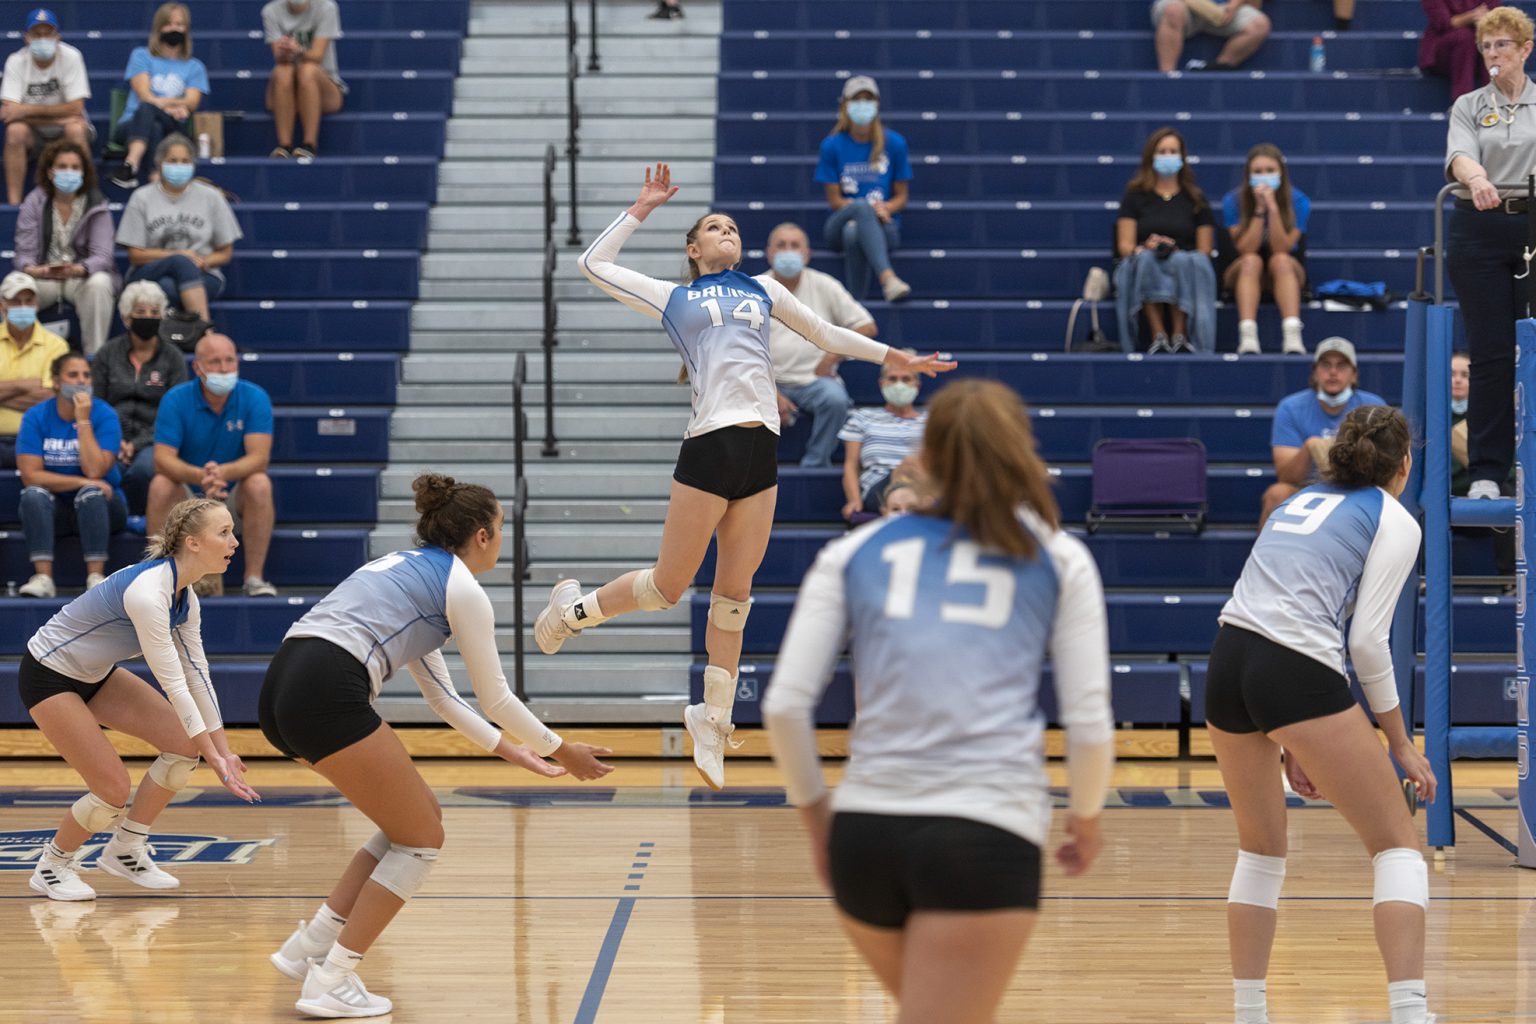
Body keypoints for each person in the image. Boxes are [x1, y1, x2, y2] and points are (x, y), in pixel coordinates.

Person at [547, 162, 953, 790]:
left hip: (761, 449)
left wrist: (891, 355)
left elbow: (827, 333)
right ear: (694, 249)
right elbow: (592, 265)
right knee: (667, 588)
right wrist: (643, 206)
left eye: (733, 227)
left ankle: (712, 718)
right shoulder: (673, 295)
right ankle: (574, 610)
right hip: (710, 443)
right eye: (715, 228)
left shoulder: (764, 287)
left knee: (735, 597)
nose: (727, 232)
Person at [763, 378, 1114, 1024]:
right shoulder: (1059, 557)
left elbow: (784, 707)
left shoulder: (855, 550)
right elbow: (1090, 721)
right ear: (1018, 448)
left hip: (865, 836)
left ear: (929, 454)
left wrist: (819, 822)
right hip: (984, 834)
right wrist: (1085, 817)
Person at [260, 473, 615, 1019]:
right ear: (480, 535)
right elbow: (495, 697)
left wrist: (514, 751)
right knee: (423, 837)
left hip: (283, 685)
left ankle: (311, 945)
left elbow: (444, 698)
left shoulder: (406, 570)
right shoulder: (463, 590)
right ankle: (333, 977)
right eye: (500, 529)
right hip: (325, 687)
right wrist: (561, 746)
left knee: (410, 824)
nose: (502, 539)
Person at [1206, 405, 1437, 1024]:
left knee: (1259, 854)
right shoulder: (1393, 517)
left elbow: (1271, 611)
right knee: (1397, 849)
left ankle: (1248, 1014)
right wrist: (1401, 743)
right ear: (1404, 465)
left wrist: (1291, 739)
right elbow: (1366, 644)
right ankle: (1411, 1014)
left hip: (1228, 661)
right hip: (1292, 668)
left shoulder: (1298, 499)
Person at [21, 496, 261, 901]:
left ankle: (126, 849)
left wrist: (222, 752)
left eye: (232, 531)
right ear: (192, 543)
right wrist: (217, 759)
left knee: (185, 747)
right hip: (48, 675)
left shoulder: (186, 597)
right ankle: (52, 865)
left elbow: (198, 678)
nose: (234, 541)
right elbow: (175, 686)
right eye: (224, 532)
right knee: (112, 788)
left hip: (95, 675)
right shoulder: (148, 593)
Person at [1444, 5, 1536, 502]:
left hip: (1534, 222)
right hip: (1479, 225)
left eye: (1503, 45)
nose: (1494, 54)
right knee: (1491, 354)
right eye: (1486, 46)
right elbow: (1460, 154)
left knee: (1535, 345)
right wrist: (1477, 178)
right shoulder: (1469, 104)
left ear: (1525, 49)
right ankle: (1486, 469)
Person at [149, 333, 278, 598]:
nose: (224, 368)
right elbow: (162, 459)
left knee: (259, 483)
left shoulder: (254, 397)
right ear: (197, 367)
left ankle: (254, 578)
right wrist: (200, 476)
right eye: (215, 362)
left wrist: (223, 473)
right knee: (160, 484)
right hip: (188, 499)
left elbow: (259, 458)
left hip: (230, 497)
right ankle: (158, 576)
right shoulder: (176, 399)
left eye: (229, 361)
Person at [759, 222, 873, 468]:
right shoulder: (753, 288)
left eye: (795, 245)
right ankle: (753, 470)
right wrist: (771, 392)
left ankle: (815, 464)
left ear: (807, 254)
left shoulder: (824, 284)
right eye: (781, 245)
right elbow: (737, 349)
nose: (788, 251)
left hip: (814, 381)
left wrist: (833, 355)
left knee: (836, 400)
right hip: (764, 380)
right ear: (769, 253)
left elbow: (867, 326)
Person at [16, 352, 128, 598]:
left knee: (92, 493)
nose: (81, 381)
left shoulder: (104, 414)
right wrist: (81, 481)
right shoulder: (36, 416)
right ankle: (43, 578)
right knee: (33, 495)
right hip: (55, 507)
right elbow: (30, 476)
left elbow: (96, 471)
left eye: (86, 376)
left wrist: (83, 421)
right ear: (56, 382)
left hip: (106, 507)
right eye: (73, 375)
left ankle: (96, 578)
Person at [117, 134, 242, 322]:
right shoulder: (141, 197)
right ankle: (204, 330)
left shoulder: (211, 197)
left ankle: (177, 336)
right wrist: (179, 256)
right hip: (149, 272)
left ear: (193, 164)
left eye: (185, 161)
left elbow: (225, 253)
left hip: (203, 274)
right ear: (160, 163)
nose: (179, 166)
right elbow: (135, 255)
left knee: (167, 287)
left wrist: (202, 262)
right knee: (179, 262)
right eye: (173, 161)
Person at [1114, 128, 1218, 354]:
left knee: (1182, 261)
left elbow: (1205, 249)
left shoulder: (1195, 198)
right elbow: (1124, 245)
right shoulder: (1135, 196)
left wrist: (1175, 249)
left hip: (1184, 259)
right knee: (1146, 260)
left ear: (1182, 157)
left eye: (1173, 151)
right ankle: (1158, 334)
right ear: (1151, 156)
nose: (1168, 156)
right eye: (1162, 151)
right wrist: (1145, 246)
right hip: (1146, 258)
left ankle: (1180, 334)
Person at [1261, 337, 1386, 523]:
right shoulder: (1290, 407)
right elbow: (1286, 476)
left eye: (1341, 366)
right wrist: (1310, 447)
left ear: (1354, 375)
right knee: (1276, 494)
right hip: (1308, 492)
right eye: (1326, 365)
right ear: (1314, 373)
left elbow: (1385, 468)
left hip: (1359, 491)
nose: (1333, 372)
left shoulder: (1374, 407)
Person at [13, 139, 118, 356]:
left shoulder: (97, 203)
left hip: (80, 277)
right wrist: (32, 270)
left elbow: (103, 256)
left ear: (83, 172)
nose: (68, 172)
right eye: (62, 167)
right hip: (44, 275)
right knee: (12, 286)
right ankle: (10, 361)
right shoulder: (35, 201)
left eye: (74, 167)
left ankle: (94, 360)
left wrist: (79, 269)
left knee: (100, 283)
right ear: (50, 172)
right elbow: (24, 252)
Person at [815, 76, 913, 302]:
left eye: (867, 99)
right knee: (856, 213)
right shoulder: (831, 145)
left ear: (877, 104)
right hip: (838, 223)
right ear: (845, 105)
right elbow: (835, 201)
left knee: (854, 233)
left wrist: (885, 207)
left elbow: (902, 197)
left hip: (884, 225)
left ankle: (855, 306)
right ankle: (888, 278)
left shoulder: (894, 143)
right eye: (856, 99)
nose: (862, 105)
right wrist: (865, 208)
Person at [92, 281, 186, 515]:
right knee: (105, 469)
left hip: (156, 438)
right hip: (111, 433)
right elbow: (97, 403)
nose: (148, 317)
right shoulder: (107, 353)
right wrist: (118, 438)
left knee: (144, 470)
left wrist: (137, 444)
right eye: (141, 312)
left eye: (155, 312)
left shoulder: (173, 357)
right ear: (126, 318)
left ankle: (139, 518)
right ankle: (119, 518)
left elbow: (176, 411)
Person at [1222, 143, 1312, 356]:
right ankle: (1248, 336)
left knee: (1280, 259)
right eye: (1258, 172)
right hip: (1244, 272)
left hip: (1283, 272)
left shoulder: (1298, 201)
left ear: (1281, 173)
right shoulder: (1233, 201)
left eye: (1270, 171)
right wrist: (1260, 210)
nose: (1264, 177)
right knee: (1252, 260)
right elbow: (1245, 248)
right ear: (1248, 175)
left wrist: (1273, 209)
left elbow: (1283, 247)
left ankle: (1292, 335)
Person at [110, 3, 207, 191]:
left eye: (180, 24)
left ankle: (130, 166)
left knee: (150, 111)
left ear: (186, 29)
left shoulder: (195, 66)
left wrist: (161, 105)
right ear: (159, 27)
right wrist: (172, 106)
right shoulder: (141, 56)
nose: (175, 28)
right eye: (169, 24)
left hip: (174, 128)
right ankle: (155, 180)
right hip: (130, 126)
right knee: (152, 122)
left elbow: (192, 102)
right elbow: (144, 96)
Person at [1, 8, 91, 206]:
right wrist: (61, 116)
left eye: (48, 33)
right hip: (33, 134)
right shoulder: (15, 61)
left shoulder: (71, 56)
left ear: (57, 36)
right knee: (15, 131)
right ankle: (14, 204)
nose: (43, 39)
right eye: (37, 34)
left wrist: (24, 111)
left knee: (75, 128)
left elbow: (76, 107)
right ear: (26, 37)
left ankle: (86, 200)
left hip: (64, 131)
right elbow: (9, 114)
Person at [1449, 351, 1517, 579]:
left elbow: (1507, 469)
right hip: (1448, 498)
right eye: (1452, 374)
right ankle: (1425, 579)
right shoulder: (1431, 417)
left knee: (1509, 495)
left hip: (1487, 498)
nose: (1457, 380)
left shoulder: (1492, 418)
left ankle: (1511, 578)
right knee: (1425, 501)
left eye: (1464, 375)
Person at [839, 356, 926, 519]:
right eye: (892, 379)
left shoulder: (931, 422)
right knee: (906, 466)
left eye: (906, 379)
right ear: (882, 383)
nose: (899, 385)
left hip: (922, 485)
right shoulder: (862, 418)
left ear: (917, 385)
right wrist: (854, 501)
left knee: (914, 466)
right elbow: (851, 465)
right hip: (878, 489)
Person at [0, 270, 68, 468]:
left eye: (28, 300)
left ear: (37, 304)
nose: (23, 307)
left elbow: (50, 399)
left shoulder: (56, 345)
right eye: (15, 301)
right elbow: (41, 395)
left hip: (38, 440)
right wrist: (27, 385)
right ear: (2, 305)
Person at [262, 0, 346, 159]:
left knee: (307, 70)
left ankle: (309, 144)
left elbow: (317, 55)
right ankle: (284, 145)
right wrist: (285, 51)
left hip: (323, 88)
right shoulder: (271, 11)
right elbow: (278, 57)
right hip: (287, 88)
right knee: (282, 70)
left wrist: (298, 50)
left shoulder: (327, 8)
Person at [1152, 0, 1272, 73]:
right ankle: (1167, 74)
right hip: (1183, 5)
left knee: (1259, 24)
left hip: (1221, 9)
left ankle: (1219, 67)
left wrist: (1234, 5)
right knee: (1173, 10)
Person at [1422, 1, 1492, 99]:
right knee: (1465, 37)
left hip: (1478, 51)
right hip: (1444, 52)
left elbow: (1494, 16)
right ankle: (1462, 103)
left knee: (1490, 38)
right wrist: (1472, 16)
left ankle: (1496, 100)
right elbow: (1443, 22)